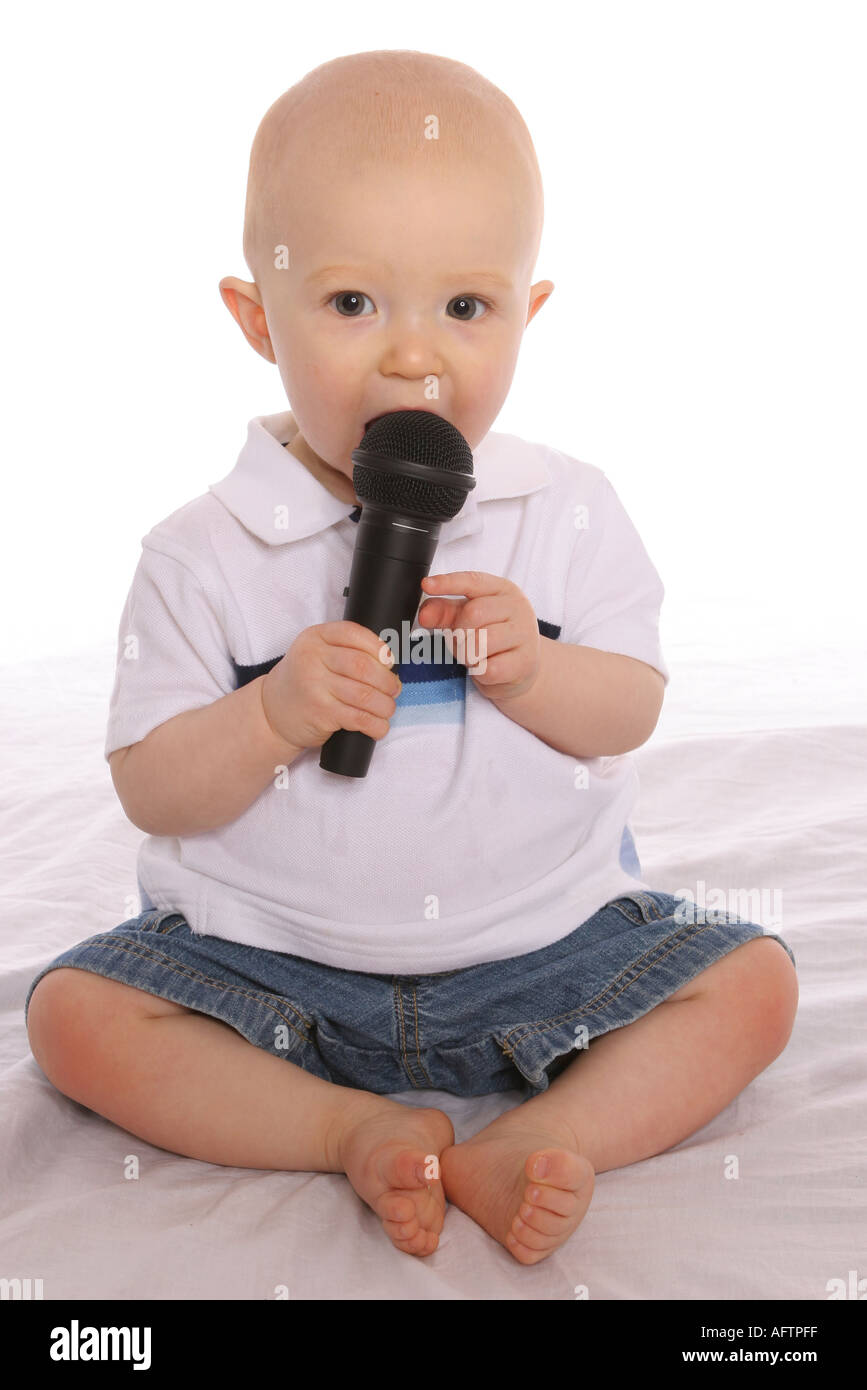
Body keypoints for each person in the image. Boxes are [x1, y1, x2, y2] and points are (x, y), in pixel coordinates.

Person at [25, 50, 797, 1266]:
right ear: (253, 317)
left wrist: (536, 671)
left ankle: (548, 1134)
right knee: (77, 1016)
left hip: (544, 952)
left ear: (526, 316)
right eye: (351, 305)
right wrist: (272, 713)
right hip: (271, 971)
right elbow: (151, 784)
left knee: (753, 986)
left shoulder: (565, 508)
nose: (413, 357)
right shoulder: (203, 549)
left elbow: (631, 707)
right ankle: (346, 1124)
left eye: (466, 307)